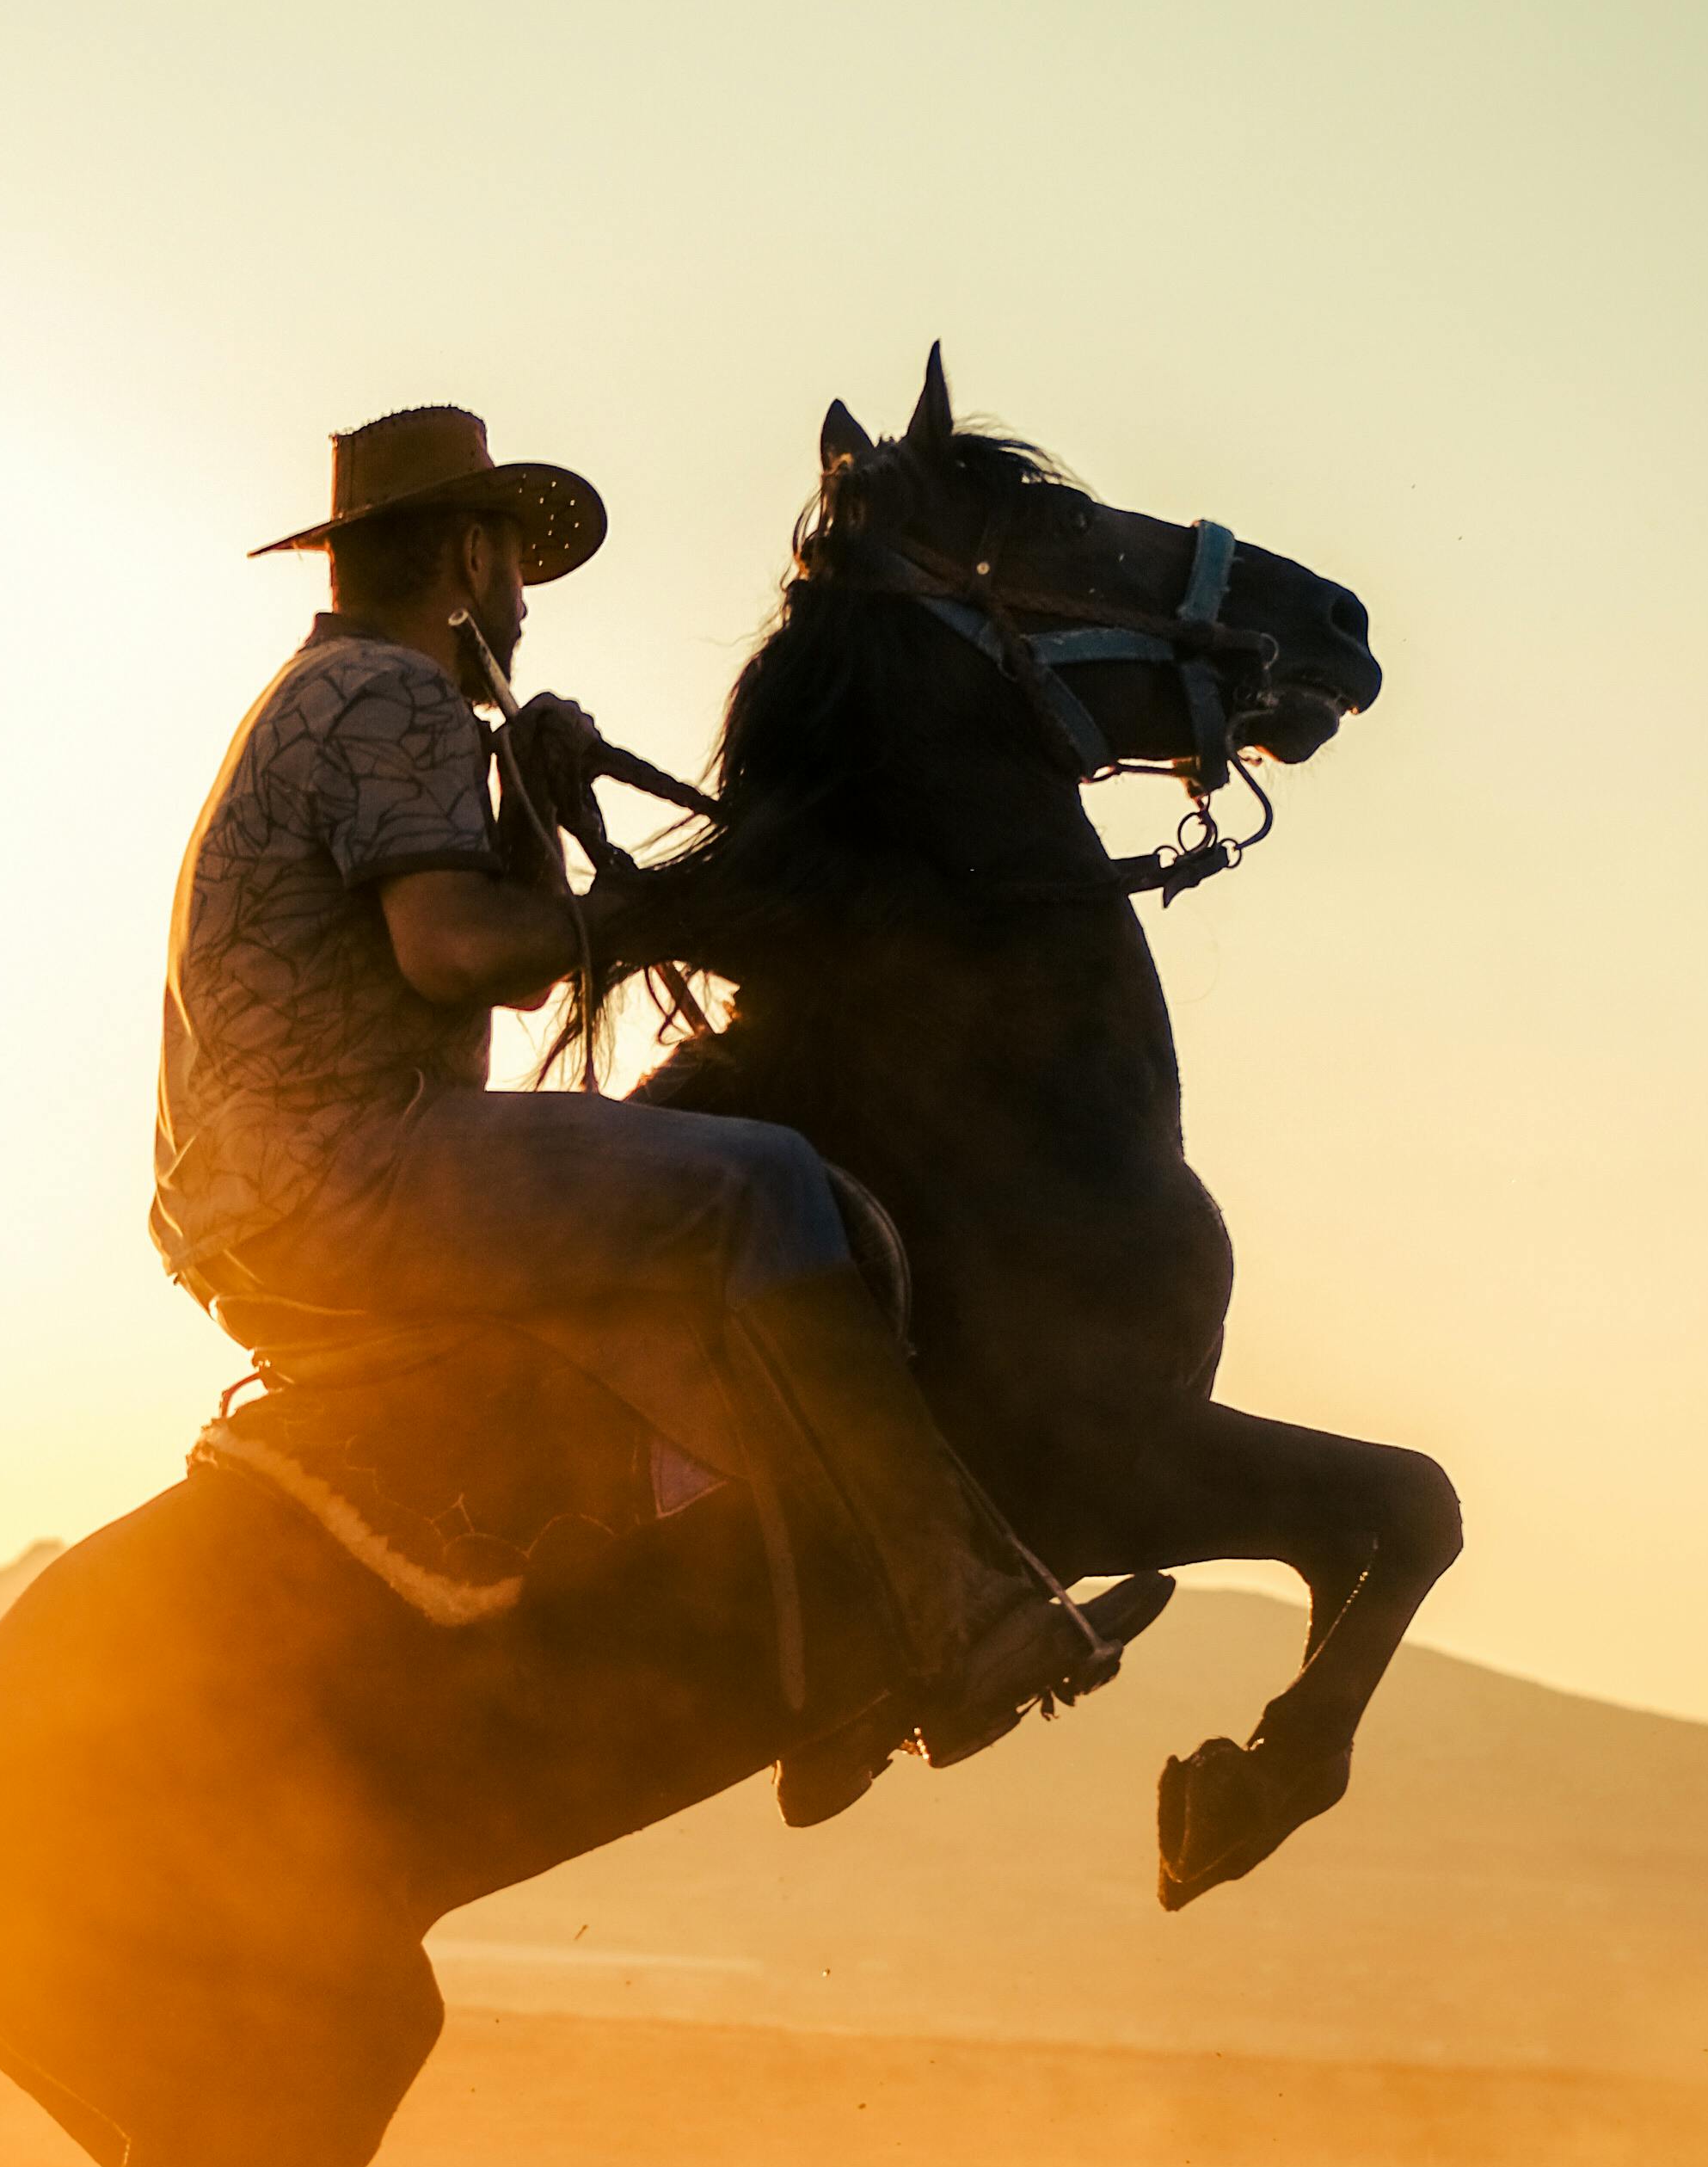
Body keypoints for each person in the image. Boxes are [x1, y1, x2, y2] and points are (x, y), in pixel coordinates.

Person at [150, 399, 1074, 1764]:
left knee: (676, 1321)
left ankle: (832, 1679)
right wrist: (659, 918)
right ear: (468, 562)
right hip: (342, 1166)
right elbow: (457, 949)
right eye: (513, 565)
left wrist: (527, 798)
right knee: (763, 1179)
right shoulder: (391, 694)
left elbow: (512, 973)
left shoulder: (334, 696)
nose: (524, 602)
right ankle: (959, 1608)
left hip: (270, 1189)